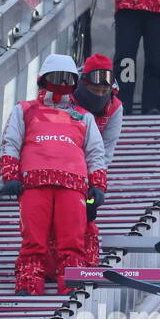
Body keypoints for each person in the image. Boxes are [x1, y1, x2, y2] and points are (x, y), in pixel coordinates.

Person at [0, 54, 107, 296]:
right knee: (33, 238)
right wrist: (11, 176)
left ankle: (72, 283)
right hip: (35, 182)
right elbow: (10, 143)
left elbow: (95, 153)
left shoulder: (83, 116)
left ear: (74, 82)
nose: (60, 82)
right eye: (55, 77)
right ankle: (29, 282)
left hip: (73, 183)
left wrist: (98, 185)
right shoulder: (25, 110)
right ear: (43, 79)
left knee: (72, 238)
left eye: (66, 78)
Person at [44, 54, 124, 281]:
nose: (99, 95)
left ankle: (80, 260)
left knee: (85, 214)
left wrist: (96, 181)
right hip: (58, 162)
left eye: (103, 91)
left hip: (87, 168)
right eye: (94, 90)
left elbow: (107, 148)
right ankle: (49, 264)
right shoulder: (65, 99)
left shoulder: (115, 108)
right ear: (83, 85)